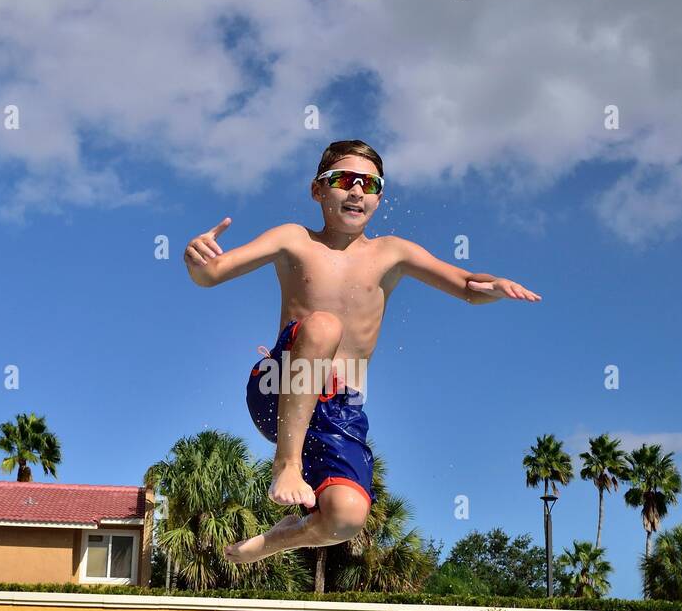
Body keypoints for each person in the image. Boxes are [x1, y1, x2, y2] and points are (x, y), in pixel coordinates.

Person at [183, 139, 540, 564]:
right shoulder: (293, 239)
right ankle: (286, 465)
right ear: (317, 190)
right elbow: (211, 274)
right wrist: (198, 260)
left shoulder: (392, 252)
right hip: (279, 387)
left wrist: (492, 286)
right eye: (344, 180)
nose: (357, 191)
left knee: (347, 518)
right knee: (323, 326)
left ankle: (281, 537)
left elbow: (466, 285)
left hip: (340, 407)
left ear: (379, 197)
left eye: (369, 184)